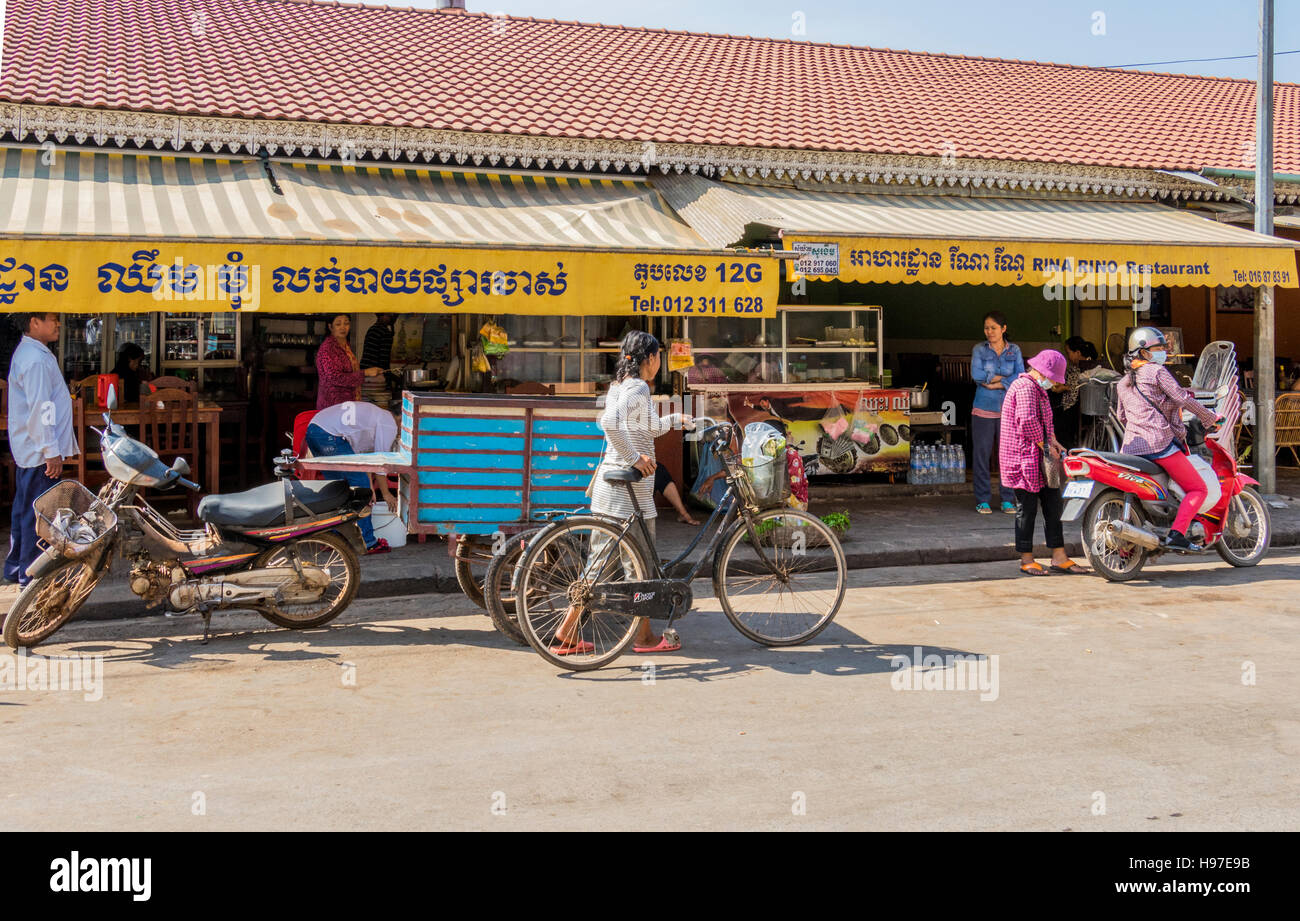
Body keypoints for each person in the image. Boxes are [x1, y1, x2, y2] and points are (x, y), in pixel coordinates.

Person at [552, 331, 692, 656]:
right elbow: (609, 423)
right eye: (658, 355)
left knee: (601, 563)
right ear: (650, 359)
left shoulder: (620, 386)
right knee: (639, 567)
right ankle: (643, 639)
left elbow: (648, 428)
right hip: (628, 492)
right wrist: (634, 458)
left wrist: (675, 419)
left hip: (608, 487)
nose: (660, 361)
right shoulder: (639, 387)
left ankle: (566, 632)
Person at [1116, 327, 1222, 551]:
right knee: (1198, 489)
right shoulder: (1156, 372)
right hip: (1159, 444)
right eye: (1159, 348)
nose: (1163, 351)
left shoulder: (1123, 382)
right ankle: (1177, 533)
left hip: (1131, 447)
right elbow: (1181, 398)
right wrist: (1209, 417)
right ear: (1144, 351)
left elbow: (1122, 416)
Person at [5, 312, 79, 587]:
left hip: (30, 449)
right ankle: (32, 575)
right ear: (34, 322)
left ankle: (16, 568)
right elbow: (41, 408)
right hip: (38, 451)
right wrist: (51, 450)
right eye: (51, 318)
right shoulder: (35, 359)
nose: (57, 323)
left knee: (26, 509)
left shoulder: (33, 353)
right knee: (41, 515)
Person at [999, 350, 1088, 576]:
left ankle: (1059, 556)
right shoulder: (1026, 387)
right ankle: (1027, 559)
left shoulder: (1038, 389)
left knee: (1052, 506)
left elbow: (1044, 423)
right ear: (1041, 372)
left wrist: (1053, 442)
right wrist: (1046, 446)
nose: (1053, 383)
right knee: (1026, 510)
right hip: (1024, 460)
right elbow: (1027, 422)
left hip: (1040, 459)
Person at [303, 400, 400, 555]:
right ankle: (368, 542)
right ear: (401, 418)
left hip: (314, 430)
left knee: (337, 487)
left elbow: (364, 460)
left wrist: (370, 487)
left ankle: (334, 540)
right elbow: (382, 461)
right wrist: (386, 493)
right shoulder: (389, 423)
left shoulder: (375, 416)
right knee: (359, 488)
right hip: (330, 435)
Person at [970, 311, 1024, 515]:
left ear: (1004, 329)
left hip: (1009, 409)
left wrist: (996, 382)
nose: (989, 331)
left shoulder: (1014, 351)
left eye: (993, 327)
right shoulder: (979, 350)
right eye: (986, 328)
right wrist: (1004, 380)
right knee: (982, 456)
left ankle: (1007, 498)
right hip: (983, 407)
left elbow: (1020, 375)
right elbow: (977, 375)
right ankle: (983, 499)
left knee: (1008, 455)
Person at [316, 314, 383, 410]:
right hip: (332, 405)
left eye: (346, 323)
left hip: (348, 404)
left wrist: (367, 374)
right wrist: (365, 373)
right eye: (338, 324)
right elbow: (335, 378)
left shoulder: (345, 345)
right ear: (330, 327)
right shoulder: (328, 348)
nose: (343, 327)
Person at [1053, 336, 1099, 447]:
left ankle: (1066, 449)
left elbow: (1081, 387)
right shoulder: (1075, 368)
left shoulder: (1088, 367)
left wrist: (1064, 388)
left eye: (1069, 352)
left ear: (1078, 353)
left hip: (1078, 407)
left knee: (1059, 422)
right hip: (1074, 405)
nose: (1068, 356)